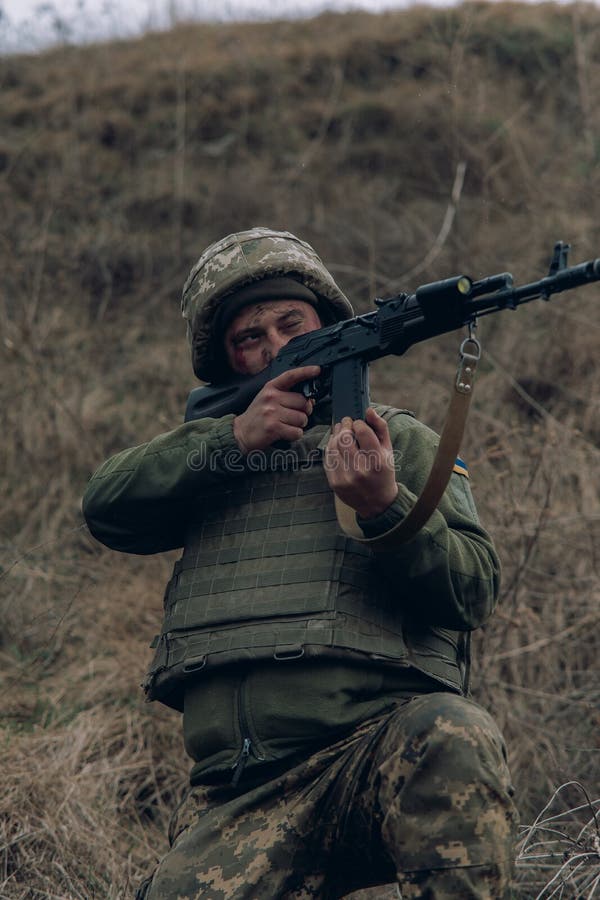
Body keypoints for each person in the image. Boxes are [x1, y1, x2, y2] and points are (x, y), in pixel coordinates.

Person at [82, 227, 518, 899]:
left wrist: (383, 507)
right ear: (228, 363)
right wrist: (231, 440)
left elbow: (473, 591)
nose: (275, 347)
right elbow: (106, 507)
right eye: (248, 338)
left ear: (328, 329)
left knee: (453, 734)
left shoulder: (396, 440)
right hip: (249, 796)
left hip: (376, 753)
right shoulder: (213, 456)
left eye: (293, 325)